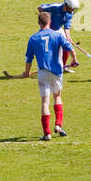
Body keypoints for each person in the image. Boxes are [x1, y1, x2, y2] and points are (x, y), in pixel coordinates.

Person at [20, 11, 77, 140]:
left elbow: (29, 59)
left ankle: (47, 133)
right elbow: (69, 47)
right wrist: (74, 59)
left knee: (45, 102)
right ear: (50, 22)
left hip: (42, 73)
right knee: (57, 96)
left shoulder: (33, 38)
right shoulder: (57, 35)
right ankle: (58, 125)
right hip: (57, 72)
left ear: (39, 23)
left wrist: (27, 72)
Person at [37, 0, 81, 69]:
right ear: (66, 5)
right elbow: (39, 8)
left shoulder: (70, 14)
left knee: (66, 46)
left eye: (74, 9)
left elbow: (67, 27)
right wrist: (44, 22)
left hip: (58, 29)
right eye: (71, 8)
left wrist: (68, 37)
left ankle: (62, 66)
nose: (73, 10)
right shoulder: (55, 7)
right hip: (48, 30)